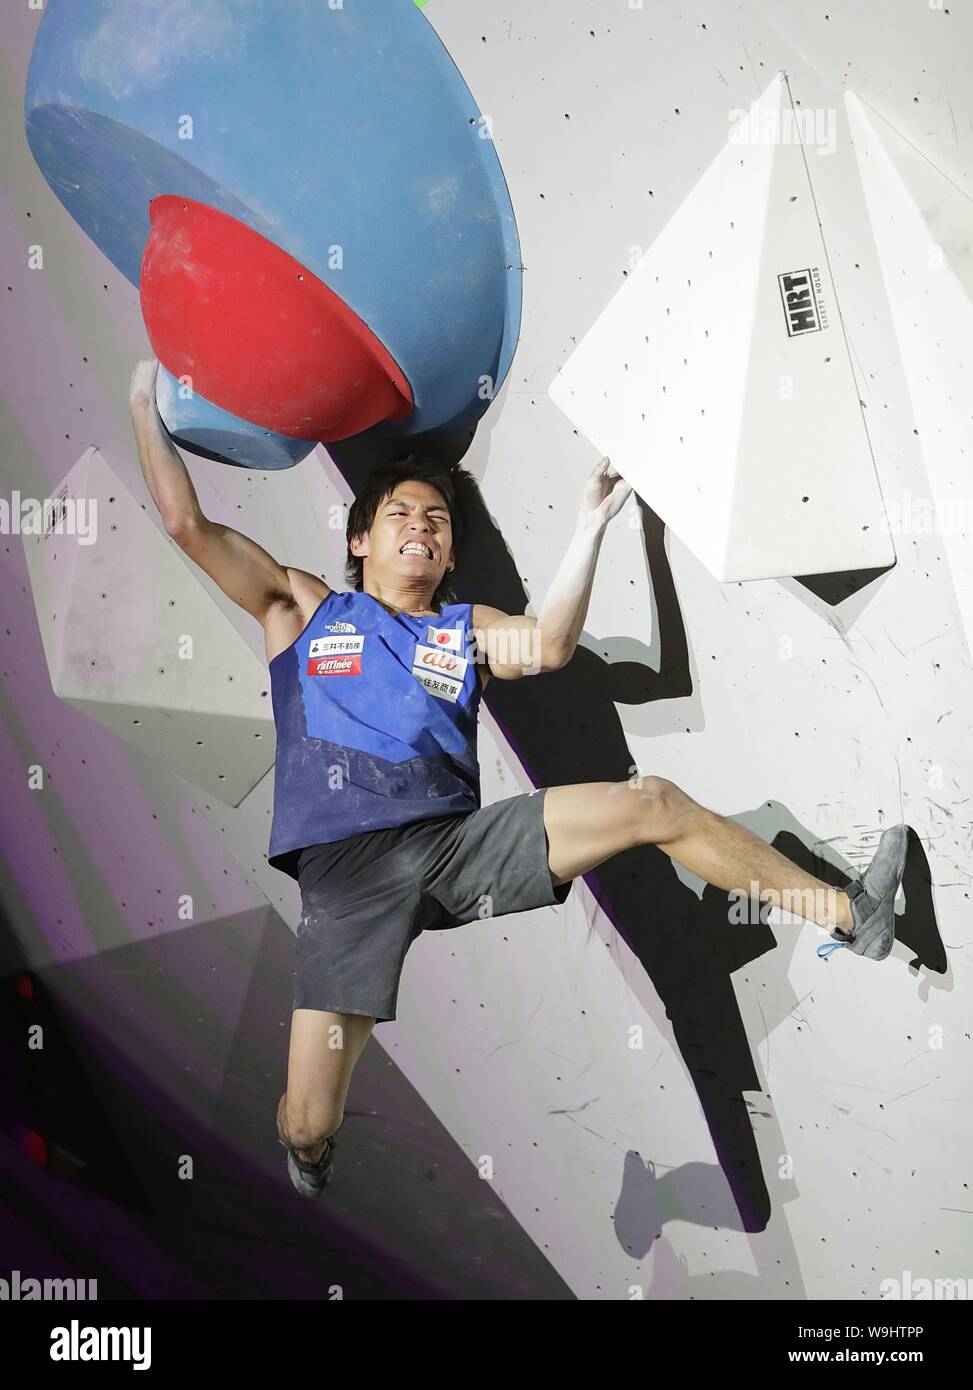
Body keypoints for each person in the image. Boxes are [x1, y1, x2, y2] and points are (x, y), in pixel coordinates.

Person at [129, 357, 908, 1198]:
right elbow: (185, 523)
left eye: (437, 517)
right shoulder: (304, 608)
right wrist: (145, 400)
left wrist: (591, 524)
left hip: (453, 847)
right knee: (310, 1118)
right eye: (399, 514)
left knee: (652, 803)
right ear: (360, 539)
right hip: (345, 884)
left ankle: (849, 912)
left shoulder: (466, 630)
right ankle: (309, 1151)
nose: (421, 525)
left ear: (451, 546)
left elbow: (549, 646)